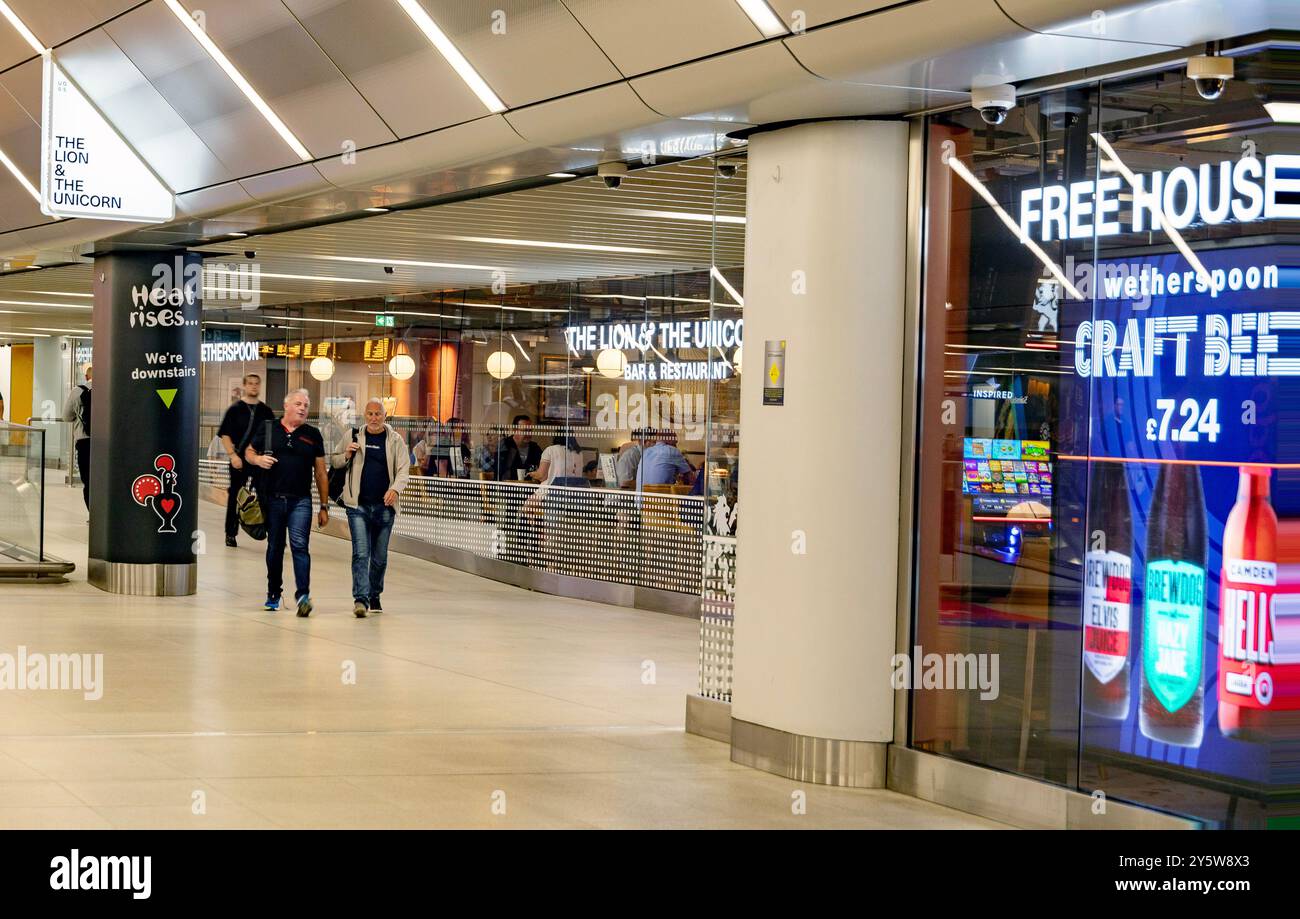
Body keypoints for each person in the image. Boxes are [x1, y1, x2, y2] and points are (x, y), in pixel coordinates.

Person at [245, 389, 330, 617]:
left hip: (300, 501)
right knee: (274, 548)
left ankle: (303, 596)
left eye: (306, 404)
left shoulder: (312, 434)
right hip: (272, 499)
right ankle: (273, 594)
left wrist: (323, 506)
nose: (303, 408)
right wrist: (258, 459)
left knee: (300, 546)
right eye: (298, 403)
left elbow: (321, 473)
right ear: (286, 406)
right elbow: (248, 452)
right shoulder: (269, 428)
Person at [334, 400, 409, 618]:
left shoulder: (395, 440)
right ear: (364, 415)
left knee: (379, 557)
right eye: (370, 414)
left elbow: (403, 470)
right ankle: (360, 599)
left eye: (378, 414)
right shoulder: (353, 435)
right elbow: (336, 461)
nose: (374, 418)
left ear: (385, 416)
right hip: (358, 506)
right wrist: (346, 454)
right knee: (361, 553)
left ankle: (375, 593)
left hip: (385, 507)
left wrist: (395, 489)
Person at [216, 373, 275, 548]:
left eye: (257, 383)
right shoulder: (235, 409)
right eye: (250, 383)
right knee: (235, 496)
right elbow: (225, 435)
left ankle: (271, 533)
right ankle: (230, 533)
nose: (254, 387)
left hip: (259, 460)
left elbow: (271, 435)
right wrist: (233, 456)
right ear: (244, 385)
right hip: (239, 460)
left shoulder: (266, 411)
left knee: (265, 495)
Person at [62, 364, 92, 509]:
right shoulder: (110, 388)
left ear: (86, 377)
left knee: (88, 480)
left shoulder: (78, 391)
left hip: (84, 442)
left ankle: (93, 515)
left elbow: (66, 417)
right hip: (106, 443)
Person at [494, 414, 541, 481]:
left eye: (530, 430)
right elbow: (501, 473)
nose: (528, 434)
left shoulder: (534, 447)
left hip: (530, 489)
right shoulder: (505, 445)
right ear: (514, 430)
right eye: (525, 430)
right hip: (508, 488)